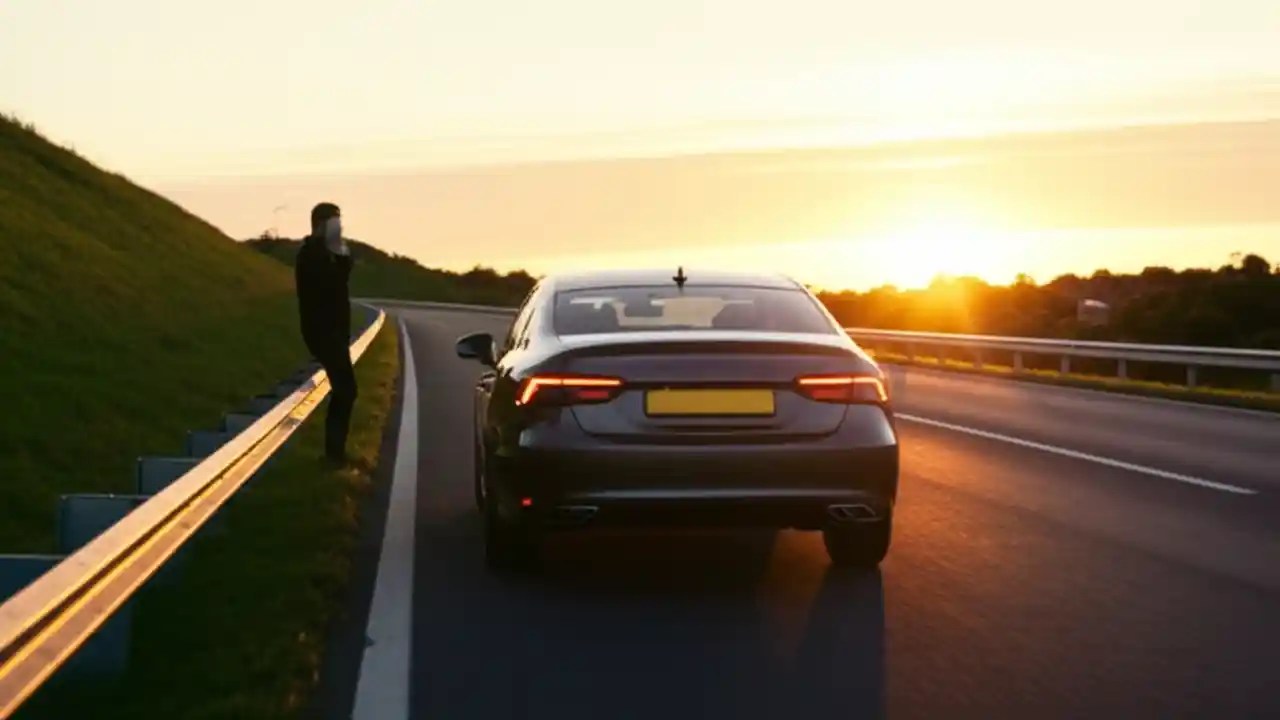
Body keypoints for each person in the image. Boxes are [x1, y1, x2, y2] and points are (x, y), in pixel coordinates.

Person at [295, 202, 357, 464]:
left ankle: (335, 453)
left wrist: (339, 250)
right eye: (334, 222)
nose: (339, 227)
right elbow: (327, 285)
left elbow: (343, 275)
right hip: (322, 332)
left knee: (345, 390)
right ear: (320, 225)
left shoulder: (329, 251)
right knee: (346, 390)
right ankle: (333, 455)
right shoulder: (310, 254)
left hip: (335, 332)